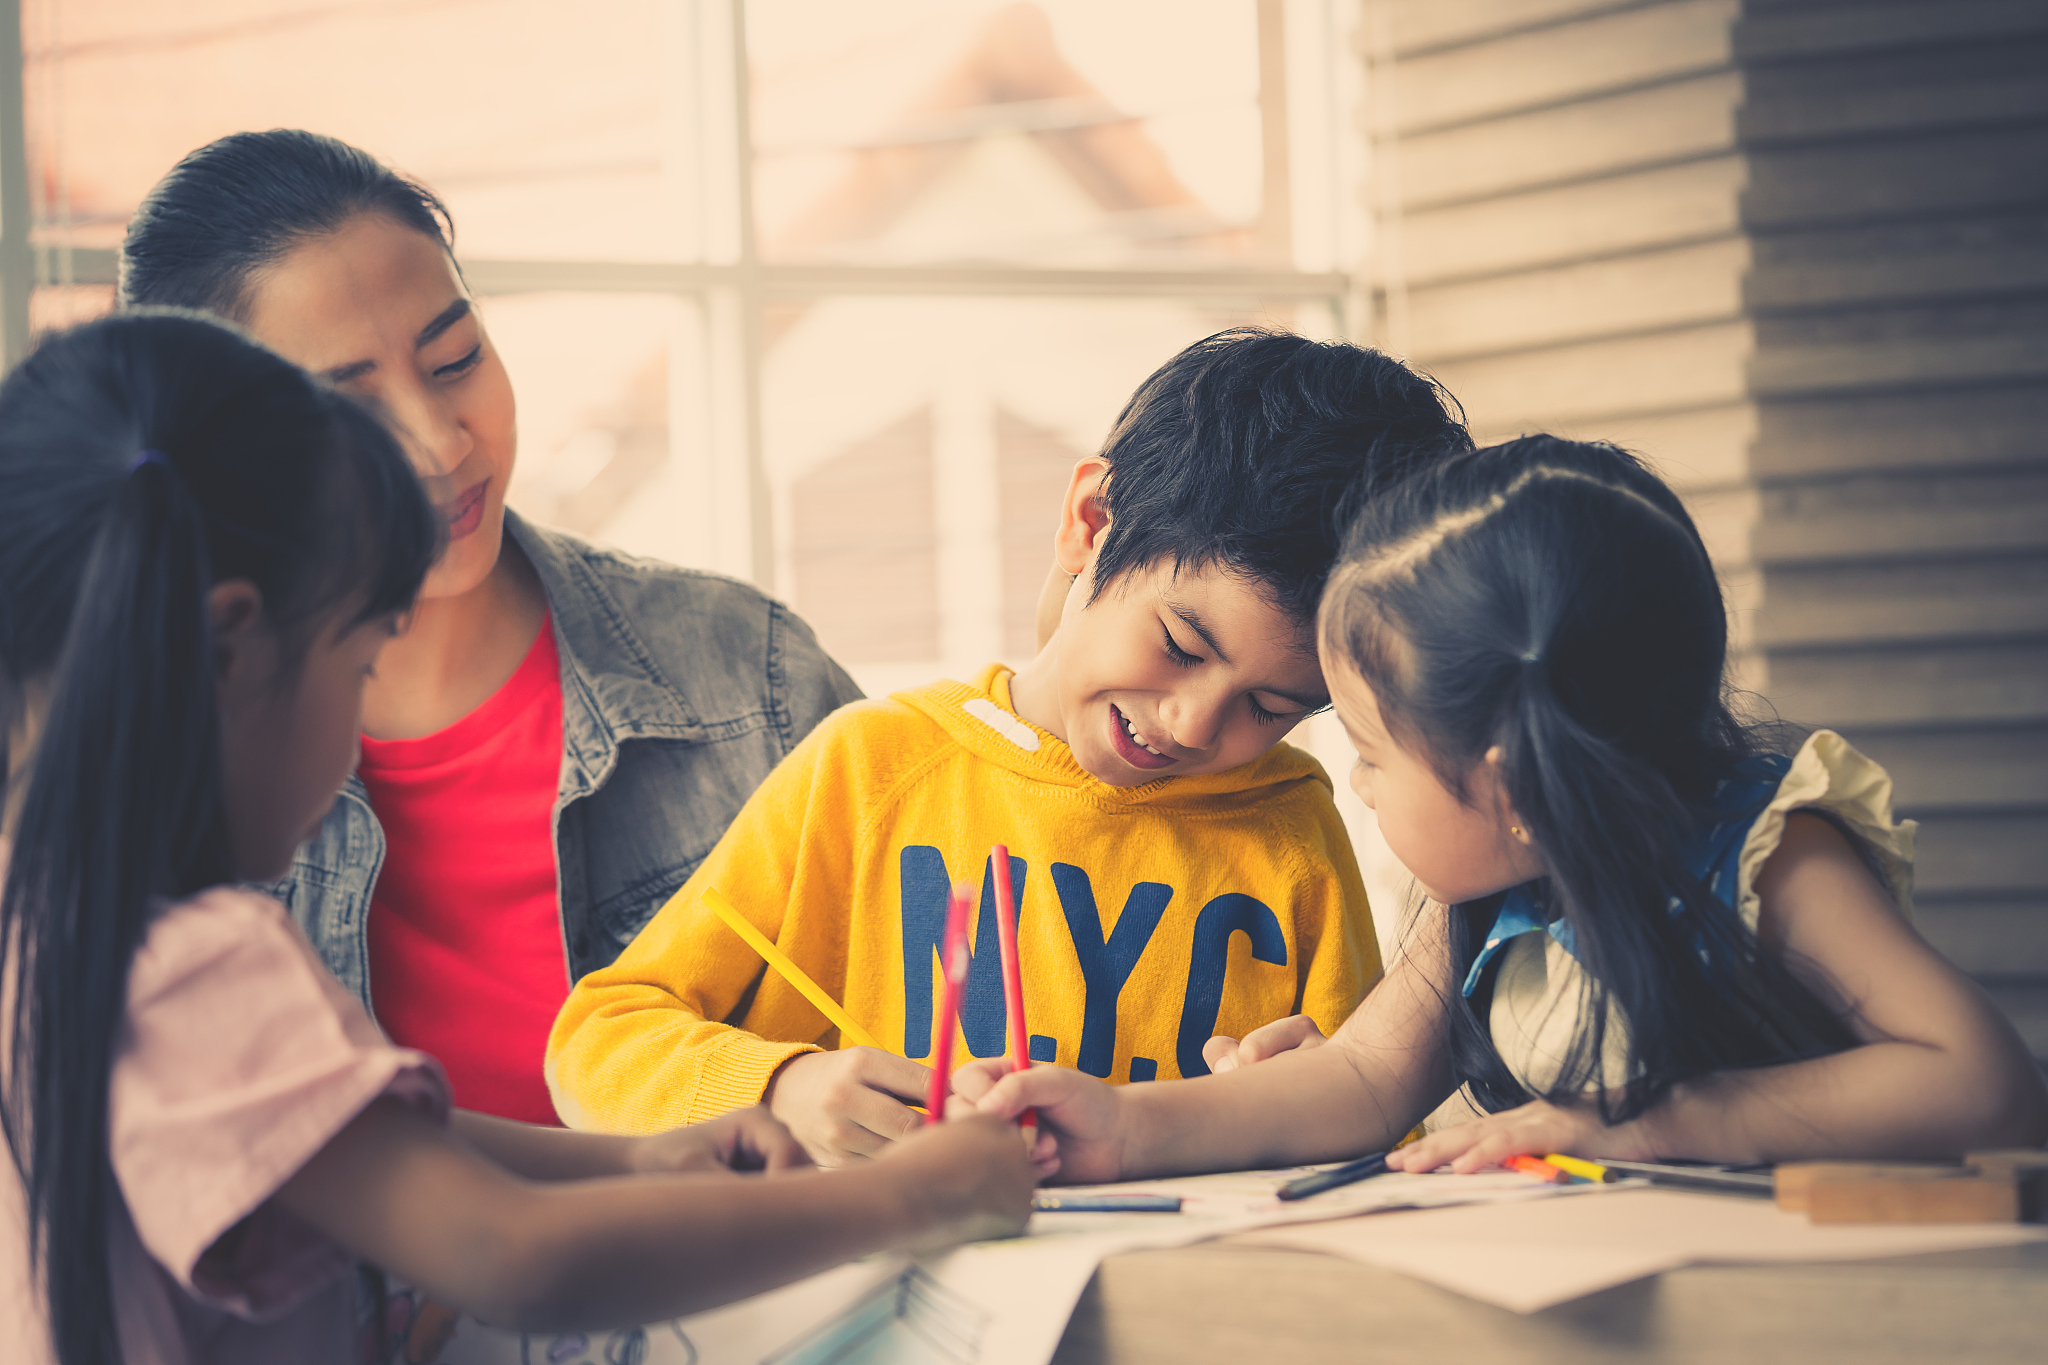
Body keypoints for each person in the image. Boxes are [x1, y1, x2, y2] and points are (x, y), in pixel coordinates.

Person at [0, 312, 1030, 1365]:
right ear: (230, 652)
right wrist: (912, 1197)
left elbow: (348, 1137)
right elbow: (509, 1257)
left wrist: (631, 1162)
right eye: (357, 668)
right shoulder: (199, 964)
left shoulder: (50, 932)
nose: (357, 731)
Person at [953, 435, 2048, 1179]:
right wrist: (1118, 1124)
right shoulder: (1491, 885)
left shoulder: (1770, 853)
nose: (1357, 785)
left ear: (1508, 782)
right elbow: (1360, 1078)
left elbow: (1984, 1082)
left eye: (1372, 755)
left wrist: (1655, 1127)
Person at [547, 328, 1473, 1165]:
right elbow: (596, 1040)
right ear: (1091, 523)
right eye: (1182, 645)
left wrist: (1307, 1102)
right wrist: (781, 1088)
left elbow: (1381, 1122)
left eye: (1271, 706)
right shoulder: (869, 766)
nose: (1196, 723)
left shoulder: (1290, 827)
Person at [119, 130, 862, 1125]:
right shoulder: (153, 772)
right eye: (351, 413)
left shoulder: (751, 680)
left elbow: (936, 1042)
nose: (439, 444)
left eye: (455, 359)